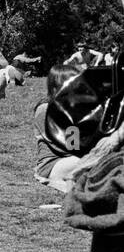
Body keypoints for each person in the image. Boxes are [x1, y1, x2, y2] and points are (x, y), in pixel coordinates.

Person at [33, 63, 124, 192]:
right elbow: (70, 146)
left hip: (75, 158)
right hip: (54, 164)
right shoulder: (45, 110)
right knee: (103, 161)